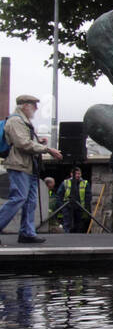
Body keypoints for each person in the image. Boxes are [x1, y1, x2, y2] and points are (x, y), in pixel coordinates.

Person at [0, 93, 63, 245]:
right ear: (25, 105)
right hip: (19, 165)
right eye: (34, 105)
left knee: (30, 201)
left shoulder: (22, 120)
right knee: (19, 198)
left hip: (28, 166)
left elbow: (24, 141)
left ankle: (27, 233)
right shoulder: (16, 120)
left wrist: (38, 142)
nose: (36, 109)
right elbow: (22, 143)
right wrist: (47, 149)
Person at [58, 166, 93, 233]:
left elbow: (88, 196)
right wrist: (61, 206)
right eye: (76, 173)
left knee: (78, 224)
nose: (78, 175)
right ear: (71, 174)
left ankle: (77, 239)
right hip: (67, 206)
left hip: (79, 206)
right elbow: (59, 195)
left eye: (79, 174)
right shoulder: (65, 183)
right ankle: (67, 237)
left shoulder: (85, 183)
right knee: (67, 223)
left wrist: (85, 206)